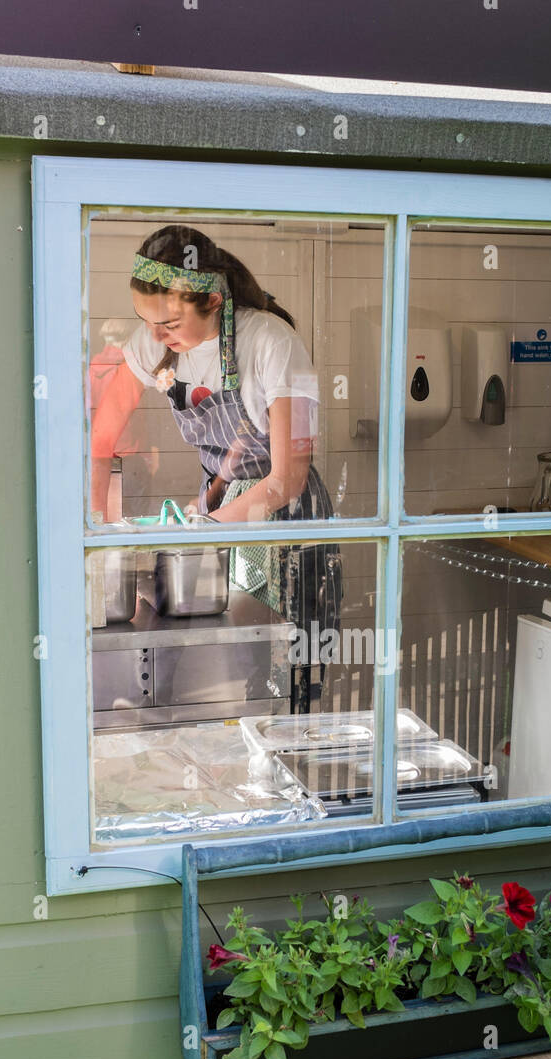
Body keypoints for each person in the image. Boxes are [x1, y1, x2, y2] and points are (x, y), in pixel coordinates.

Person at [90, 224, 342, 710]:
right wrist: (96, 532)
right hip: (222, 504)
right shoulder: (155, 342)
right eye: (146, 321)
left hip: (285, 519)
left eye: (169, 323)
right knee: (223, 669)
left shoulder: (271, 341)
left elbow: (287, 477)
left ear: (212, 300)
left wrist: (201, 530)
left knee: (283, 675)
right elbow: (101, 440)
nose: (155, 335)